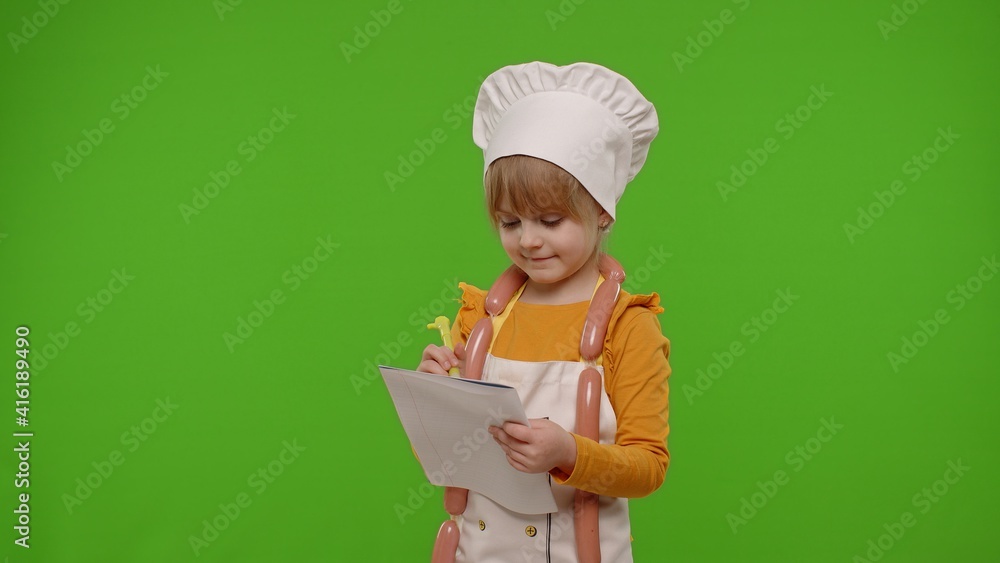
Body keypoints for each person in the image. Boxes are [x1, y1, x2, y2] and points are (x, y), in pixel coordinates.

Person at [417, 61, 670, 562]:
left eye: (550, 220)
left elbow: (649, 467)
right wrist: (434, 400)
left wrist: (570, 454)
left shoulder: (629, 327)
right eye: (509, 222)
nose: (528, 240)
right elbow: (451, 461)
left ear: (602, 210)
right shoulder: (480, 320)